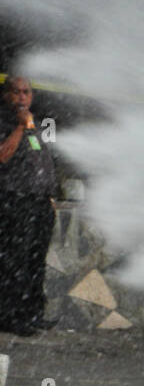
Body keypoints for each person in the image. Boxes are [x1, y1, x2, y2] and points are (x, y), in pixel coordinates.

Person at [0, 75, 59, 336]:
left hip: (40, 203)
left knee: (36, 261)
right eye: (17, 92)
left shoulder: (36, 122)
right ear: (6, 95)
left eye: (27, 92)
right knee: (16, 262)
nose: (22, 97)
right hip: (16, 201)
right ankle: (10, 316)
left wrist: (49, 194)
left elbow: (41, 158)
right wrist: (20, 128)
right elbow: (3, 156)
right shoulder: (6, 121)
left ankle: (33, 313)